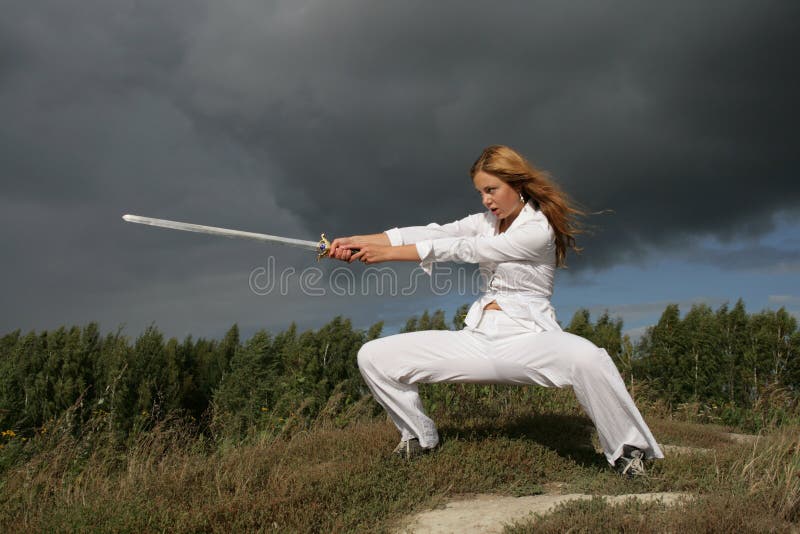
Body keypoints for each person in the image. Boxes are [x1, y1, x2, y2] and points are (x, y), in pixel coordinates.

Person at [328, 145, 663, 477]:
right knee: (374, 356)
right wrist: (358, 240)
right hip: (479, 339)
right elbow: (435, 232)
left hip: (530, 341)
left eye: (492, 190)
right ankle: (418, 436)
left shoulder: (538, 229)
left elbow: (468, 248)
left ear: (516, 185)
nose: (486, 200)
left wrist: (387, 254)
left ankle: (629, 452)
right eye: (481, 192)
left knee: (589, 358)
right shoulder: (486, 221)